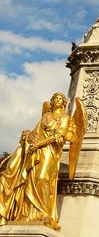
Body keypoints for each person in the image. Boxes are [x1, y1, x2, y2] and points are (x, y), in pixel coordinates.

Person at [0, 92, 86, 229]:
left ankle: (43, 212)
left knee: (42, 179)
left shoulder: (65, 118)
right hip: (36, 152)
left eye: (60, 99)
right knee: (30, 180)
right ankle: (27, 215)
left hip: (49, 152)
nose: (58, 100)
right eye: (55, 98)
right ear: (52, 101)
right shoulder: (45, 116)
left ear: (64, 103)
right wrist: (28, 135)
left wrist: (38, 144)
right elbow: (36, 133)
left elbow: (59, 137)